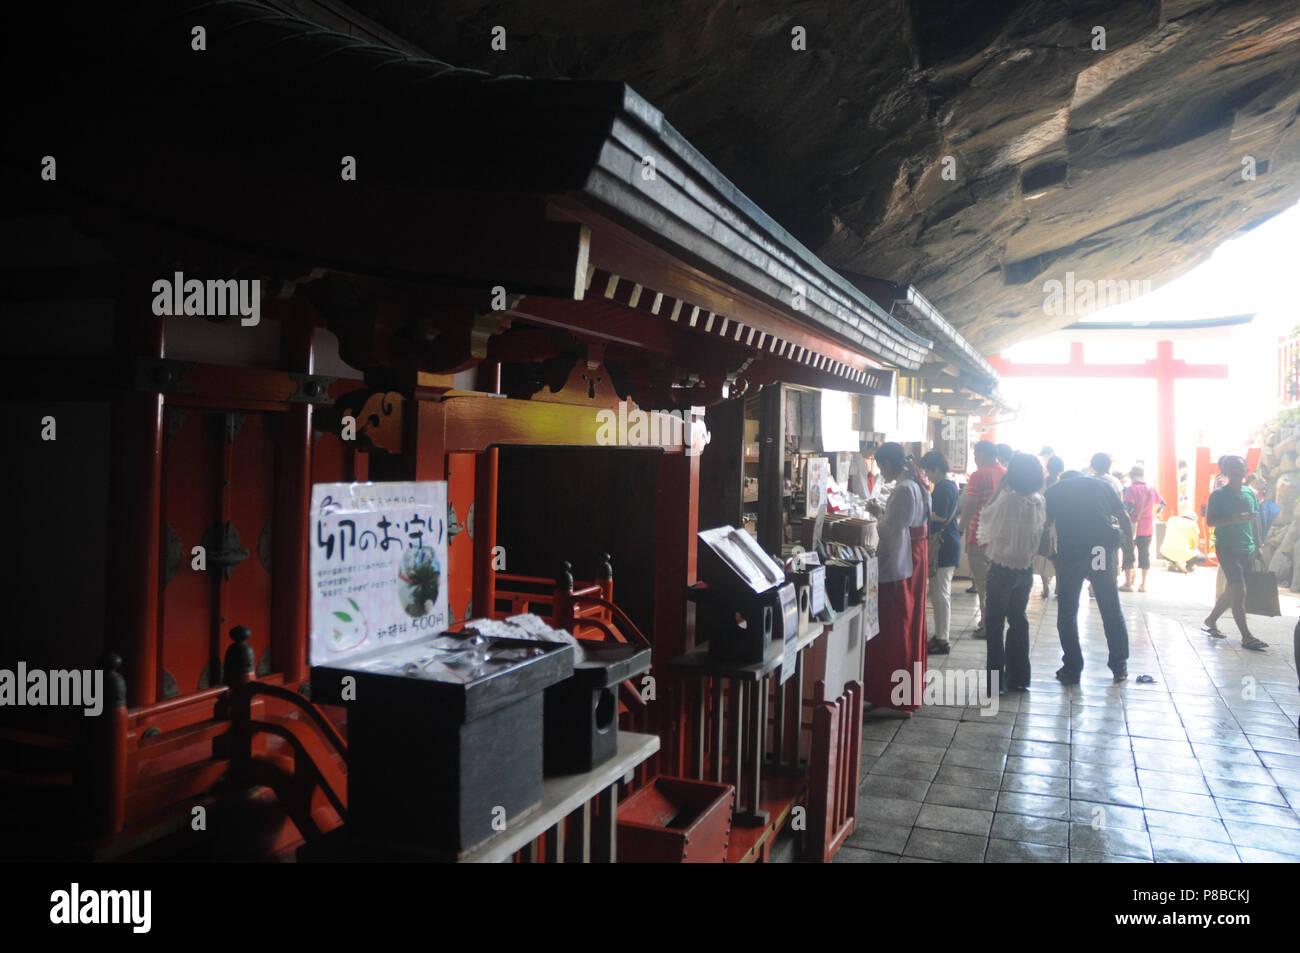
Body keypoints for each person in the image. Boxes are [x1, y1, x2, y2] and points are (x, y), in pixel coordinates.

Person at [1045, 469, 1133, 683]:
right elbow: (1124, 517)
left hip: (1071, 553)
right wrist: (1129, 551)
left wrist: (1051, 555)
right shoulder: (1102, 486)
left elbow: (1045, 526)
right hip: (1099, 551)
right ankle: (1119, 666)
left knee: (1067, 612)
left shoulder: (1055, 491)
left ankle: (1072, 667)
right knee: (1110, 608)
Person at [862, 443, 931, 713]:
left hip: (902, 561)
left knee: (895, 626)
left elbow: (892, 532)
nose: (880, 471)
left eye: (880, 466)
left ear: (888, 464)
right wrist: (883, 515)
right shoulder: (916, 484)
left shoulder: (904, 489)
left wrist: (878, 519)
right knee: (909, 623)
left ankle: (892, 694)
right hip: (915, 555)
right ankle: (901, 694)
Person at [977, 453, 1046, 693]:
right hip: (1025, 569)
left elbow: (986, 517)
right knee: (1018, 621)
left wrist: (999, 490)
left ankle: (996, 683)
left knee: (995, 625)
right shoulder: (1039, 500)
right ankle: (1019, 677)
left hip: (1001, 567)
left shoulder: (1009, 500)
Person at [1202, 455, 1268, 651]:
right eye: (1233, 467)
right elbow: (1211, 522)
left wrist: (1258, 545)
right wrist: (1237, 519)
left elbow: (1254, 520)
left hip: (1246, 548)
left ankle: (1211, 619)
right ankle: (1247, 636)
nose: (1238, 470)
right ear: (1226, 471)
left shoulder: (1250, 493)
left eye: (1240, 467)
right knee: (1239, 591)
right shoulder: (1218, 495)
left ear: (1246, 469)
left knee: (1232, 590)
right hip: (1227, 548)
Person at [958, 440, 1006, 638]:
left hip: (980, 536)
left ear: (982, 454)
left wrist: (960, 528)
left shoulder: (979, 475)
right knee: (997, 583)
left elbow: (971, 503)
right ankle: (993, 621)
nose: (975, 459)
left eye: (976, 455)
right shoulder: (1005, 472)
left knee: (983, 583)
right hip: (1001, 538)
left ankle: (987, 624)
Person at [921, 450, 961, 655]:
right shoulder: (950, 484)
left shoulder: (944, 487)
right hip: (948, 544)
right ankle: (940, 635)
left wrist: (922, 509)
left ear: (936, 469)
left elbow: (940, 515)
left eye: (928, 471)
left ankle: (942, 638)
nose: (927, 475)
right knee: (939, 593)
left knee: (940, 594)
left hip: (944, 546)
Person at [1121, 465, 1165, 592]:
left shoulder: (1132, 489)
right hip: (1147, 528)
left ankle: (1128, 583)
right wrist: (1157, 513)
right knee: (1145, 555)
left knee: (1128, 554)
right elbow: (1163, 503)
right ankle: (1143, 584)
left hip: (1132, 528)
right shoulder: (1151, 489)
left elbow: (1129, 507)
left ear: (1132, 476)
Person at [1034, 456, 1065, 597]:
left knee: (1043, 553)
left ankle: (1046, 587)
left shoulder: (1041, 483)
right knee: (1056, 555)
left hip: (1043, 522)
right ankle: (1058, 586)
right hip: (1058, 524)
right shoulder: (1063, 483)